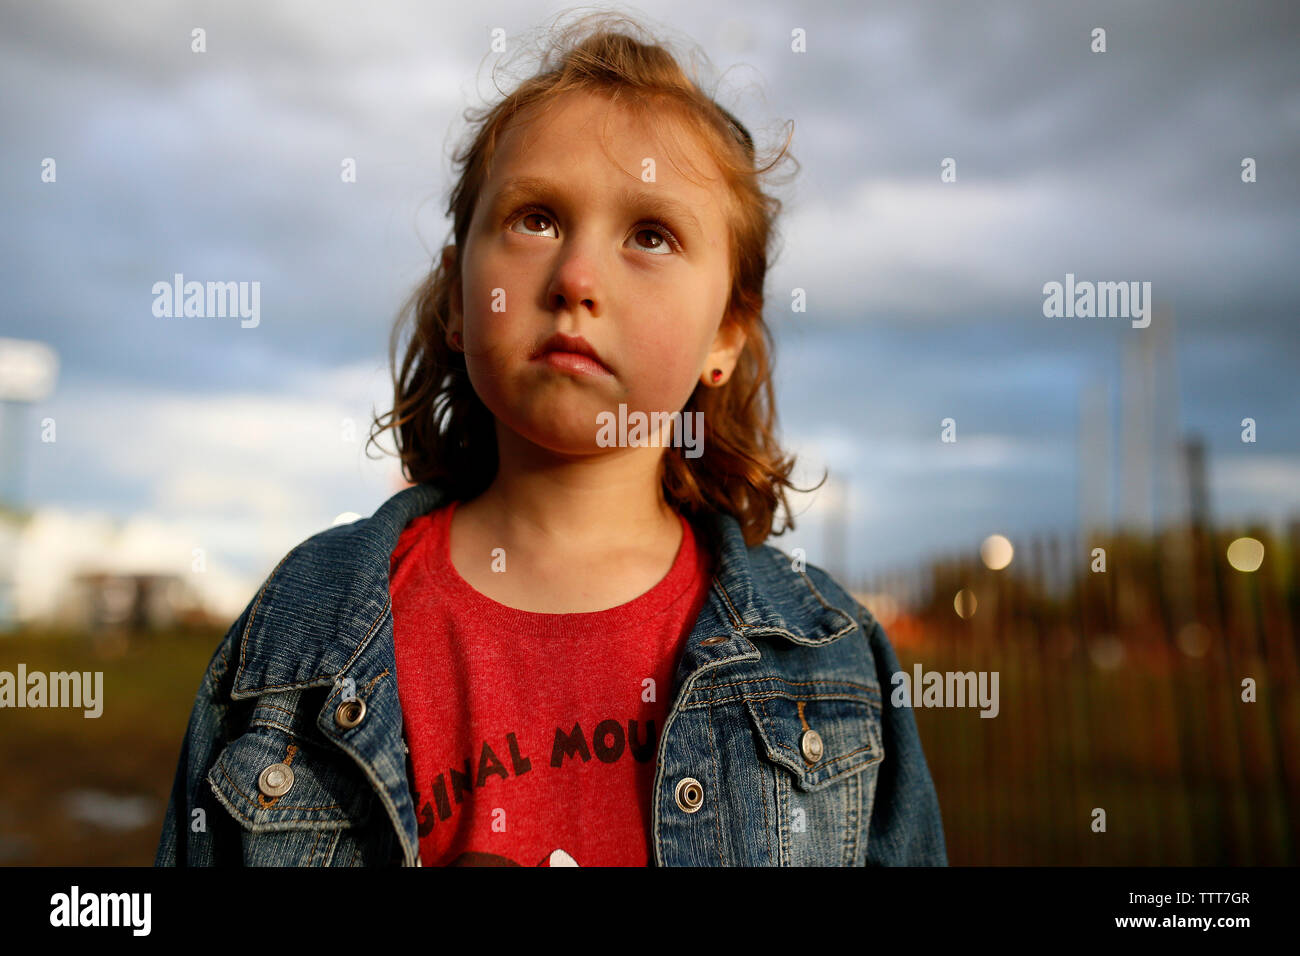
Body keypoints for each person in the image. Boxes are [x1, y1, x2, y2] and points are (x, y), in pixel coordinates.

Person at [155, 10, 946, 867]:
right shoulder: (299, 628)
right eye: (535, 219)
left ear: (726, 335)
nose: (576, 278)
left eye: (651, 235)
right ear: (459, 298)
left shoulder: (829, 657)